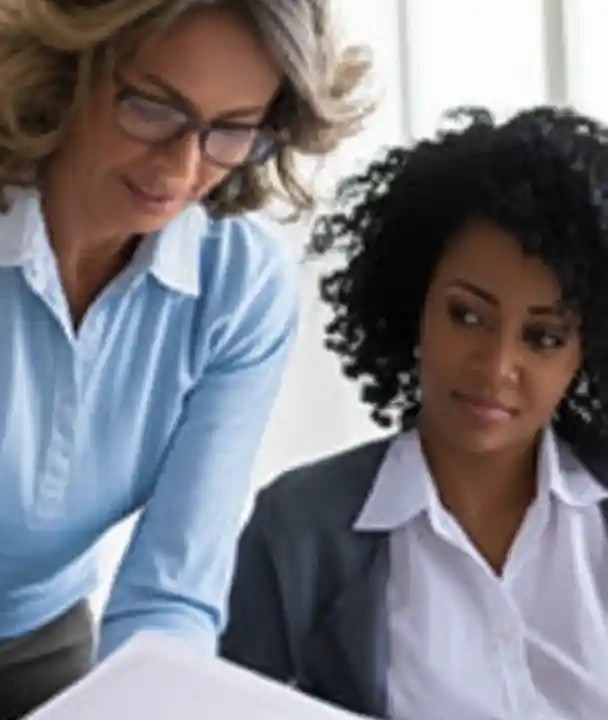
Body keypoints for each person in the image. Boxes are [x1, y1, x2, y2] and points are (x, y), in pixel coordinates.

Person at [0, 1, 372, 718]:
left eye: (231, 129)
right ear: (67, 72)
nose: (184, 167)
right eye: (154, 108)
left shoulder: (241, 288)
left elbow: (169, 597)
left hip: (35, 638)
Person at [221, 107, 608, 720]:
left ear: (586, 354)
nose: (496, 366)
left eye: (543, 338)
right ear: (413, 306)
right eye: (467, 316)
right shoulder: (298, 531)